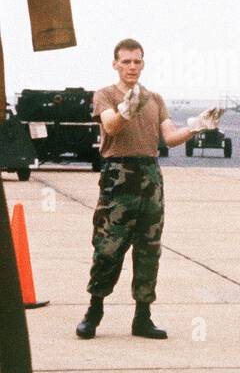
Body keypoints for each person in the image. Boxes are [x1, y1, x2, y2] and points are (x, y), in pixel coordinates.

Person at [76, 39, 220, 340]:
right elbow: (111, 127)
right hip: (119, 175)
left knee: (148, 248)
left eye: (137, 61)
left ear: (143, 64)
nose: (132, 67)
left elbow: (168, 138)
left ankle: (143, 317)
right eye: (126, 61)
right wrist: (126, 110)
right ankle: (94, 311)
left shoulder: (154, 98)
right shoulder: (105, 95)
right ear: (115, 64)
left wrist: (196, 128)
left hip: (150, 176)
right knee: (108, 248)